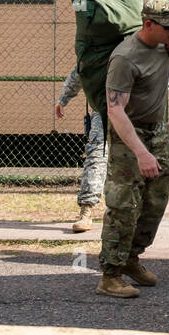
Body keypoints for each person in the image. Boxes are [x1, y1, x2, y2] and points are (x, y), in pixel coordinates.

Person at [97, 0, 169, 299]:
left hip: (157, 131)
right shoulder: (124, 57)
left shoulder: (164, 47)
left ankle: (132, 258)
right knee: (124, 203)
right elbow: (115, 111)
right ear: (149, 25)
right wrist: (141, 153)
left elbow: (157, 81)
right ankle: (110, 274)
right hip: (129, 135)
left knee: (156, 198)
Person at [55, 66, 106, 233]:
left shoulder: (137, 43)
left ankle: (133, 213)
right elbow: (82, 68)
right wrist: (63, 99)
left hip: (134, 109)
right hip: (104, 107)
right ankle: (87, 209)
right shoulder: (98, 46)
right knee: (96, 156)